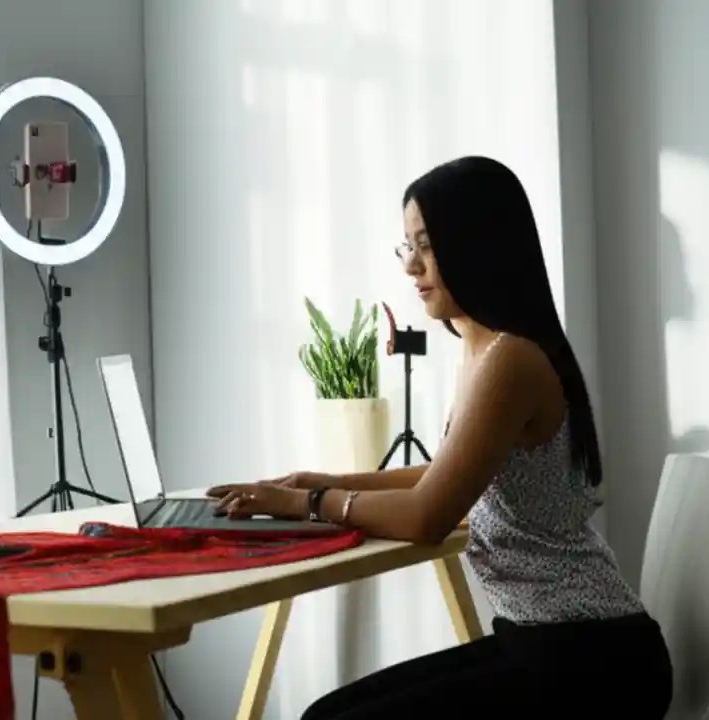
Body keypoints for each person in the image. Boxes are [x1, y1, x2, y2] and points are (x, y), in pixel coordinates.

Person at [206, 156, 673, 719]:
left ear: (476, 245)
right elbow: (447, 473)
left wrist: (308, 504)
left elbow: (428, 517)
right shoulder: (484, 347)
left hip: (591, 658)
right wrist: (322, 480)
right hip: (547, 639)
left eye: (425, 245)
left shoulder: (510, 359)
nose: (411, 267)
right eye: (407, 246)